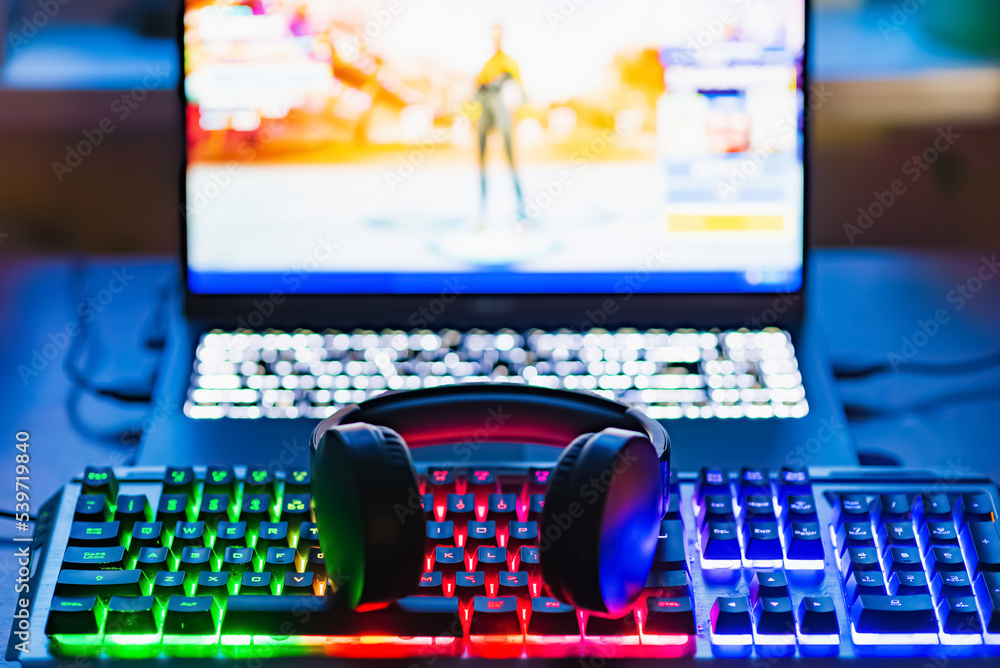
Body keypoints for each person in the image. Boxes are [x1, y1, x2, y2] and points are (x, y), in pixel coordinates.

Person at [475, 24, 526, 222]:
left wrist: (519, 116)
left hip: (504, 114)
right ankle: (483, 210)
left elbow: (518, 93)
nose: (495, 39)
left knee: (511, 157)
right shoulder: (486, 66)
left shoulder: (510, 63)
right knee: (481, 160)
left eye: (498, 35)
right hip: (485, 114)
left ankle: (521, 208)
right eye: (492, 36)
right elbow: (478, 90)